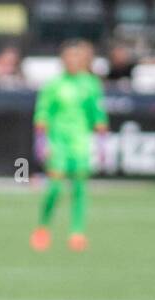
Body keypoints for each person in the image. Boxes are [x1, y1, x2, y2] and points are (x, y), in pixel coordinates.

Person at [31, 39, 108, 253]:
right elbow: (42, 114)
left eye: (77, 57)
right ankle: (43, 227)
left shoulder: (91, 84)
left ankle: (77, 232)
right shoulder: (54, 85)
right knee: (54, 188)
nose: (73, 61)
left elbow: (98, 115)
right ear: (63, 60)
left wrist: (102, 145)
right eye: (69, 57)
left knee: (79, 189)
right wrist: (41, 141)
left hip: (80, 144)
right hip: (58, 143)